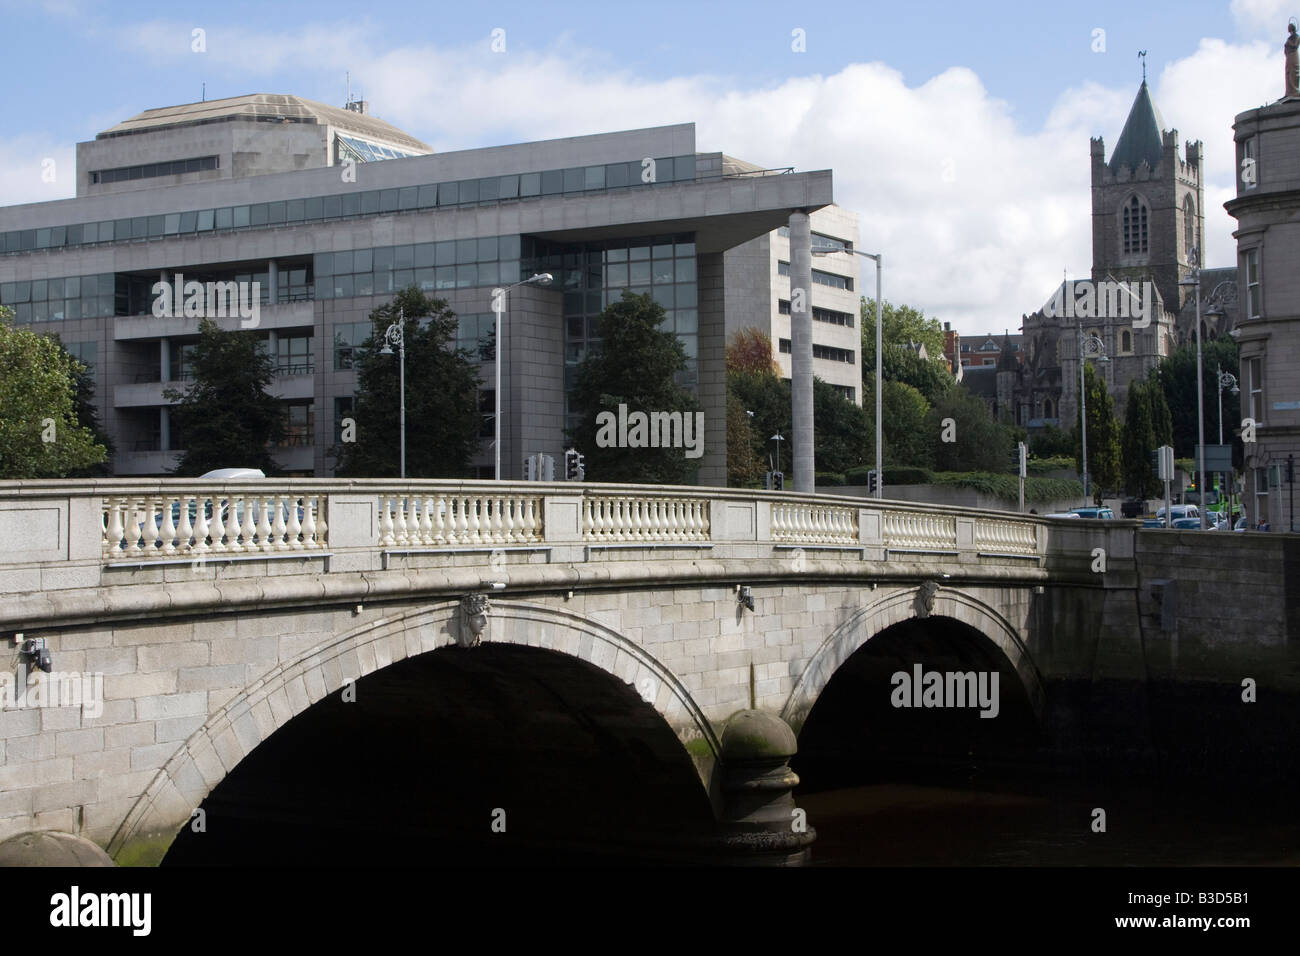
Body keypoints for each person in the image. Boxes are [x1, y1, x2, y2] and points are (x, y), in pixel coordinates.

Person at [1286, 21, 1299, 98]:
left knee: (1294, 71)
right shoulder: (1289, 38)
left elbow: (1295, 45)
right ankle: (1289, 91)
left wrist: (1289, 42)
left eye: (1289, 27)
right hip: (1289, 56)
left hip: (1294, 55)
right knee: (1288, 71)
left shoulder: (1296, 36)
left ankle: (1294, 90)